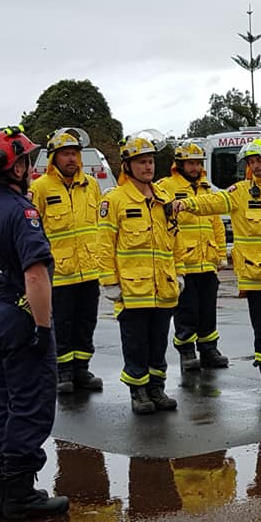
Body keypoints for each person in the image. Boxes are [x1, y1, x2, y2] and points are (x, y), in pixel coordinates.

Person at [0, 125, 69, 520]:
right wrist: (42, 327)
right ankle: (19, 494)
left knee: (3, 404)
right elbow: (36, 274)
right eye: (26, 160)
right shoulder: (23, 211)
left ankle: (6, 485)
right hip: (20, 317)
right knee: (30, 405)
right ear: (16, 166)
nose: (30, 166)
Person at [176, 139, 261, 392]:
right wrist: (187, 204)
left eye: (260, 160)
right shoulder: (240, 191)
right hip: (257, 274)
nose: (256, 165)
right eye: (251, 161)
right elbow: (212, 203)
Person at [97, 130, 183, 415]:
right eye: (141, 162)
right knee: (136, 343)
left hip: (164, 286)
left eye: (150, 161)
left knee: (159, 342)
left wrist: (179, 273)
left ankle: (157, 388)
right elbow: (104, 244)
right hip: (132, 289)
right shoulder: (115, 200)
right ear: (127, 165)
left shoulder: (164, 197)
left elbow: (176, 240)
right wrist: (110, 282)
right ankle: (138, 391)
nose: (147, 166)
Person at [28, 127, 104, 394]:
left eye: (74, 154)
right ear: (53, 158)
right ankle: (63, 373)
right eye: (65, 155)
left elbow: (98, 226)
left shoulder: (92, 185)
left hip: (89, 271)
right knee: (62, 323)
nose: (71, 159)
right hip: (58, 274)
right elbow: (33, 230)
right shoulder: (40, 188)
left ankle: (82, 370)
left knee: (86, 323)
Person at [156, 140, 230, 372]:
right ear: (179, 164)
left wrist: (220, 253)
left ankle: (209, 349)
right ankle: (186, 351)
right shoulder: (166, 187)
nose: (195, 168)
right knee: (186, 311)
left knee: (207, 310)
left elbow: (216, 223)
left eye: (198, 163)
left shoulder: (206, 189)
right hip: (184, 263)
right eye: (190, 163)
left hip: (207, 261)